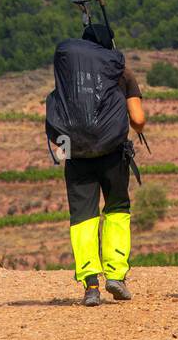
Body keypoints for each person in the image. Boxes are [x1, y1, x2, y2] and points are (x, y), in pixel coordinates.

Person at [46, 17, 146, 307]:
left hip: (76, 153)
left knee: (83, 217)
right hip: (113, 153)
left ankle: (91, 285)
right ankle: (116, 274)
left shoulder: (68, 74)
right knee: (116, 209)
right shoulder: (122, 73)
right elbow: (137, 119)